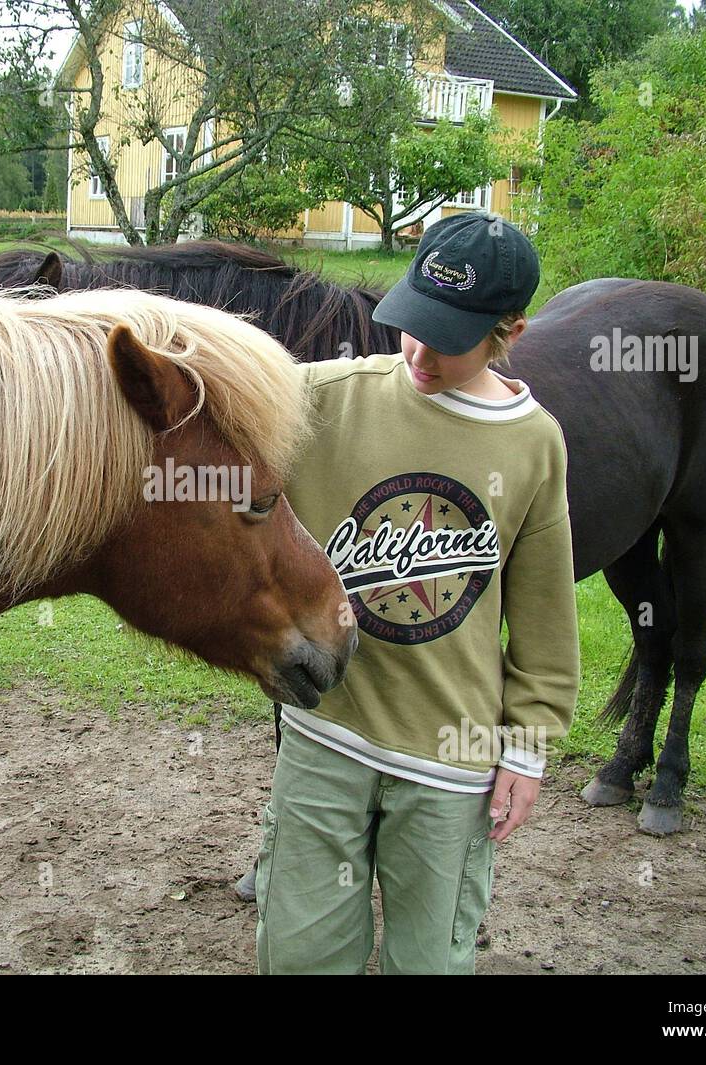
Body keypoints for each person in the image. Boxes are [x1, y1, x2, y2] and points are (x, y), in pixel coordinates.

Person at [254, 211, 580, 974]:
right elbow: (210, 401)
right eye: (412, 323)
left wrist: (526, 748)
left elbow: (545, 618)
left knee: (428, 961)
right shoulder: (326, 396)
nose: (421, 352)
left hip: (449, 763)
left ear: (511, 331)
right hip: (325, 739)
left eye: (450, 336)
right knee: (297, 954)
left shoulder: (534, 444)